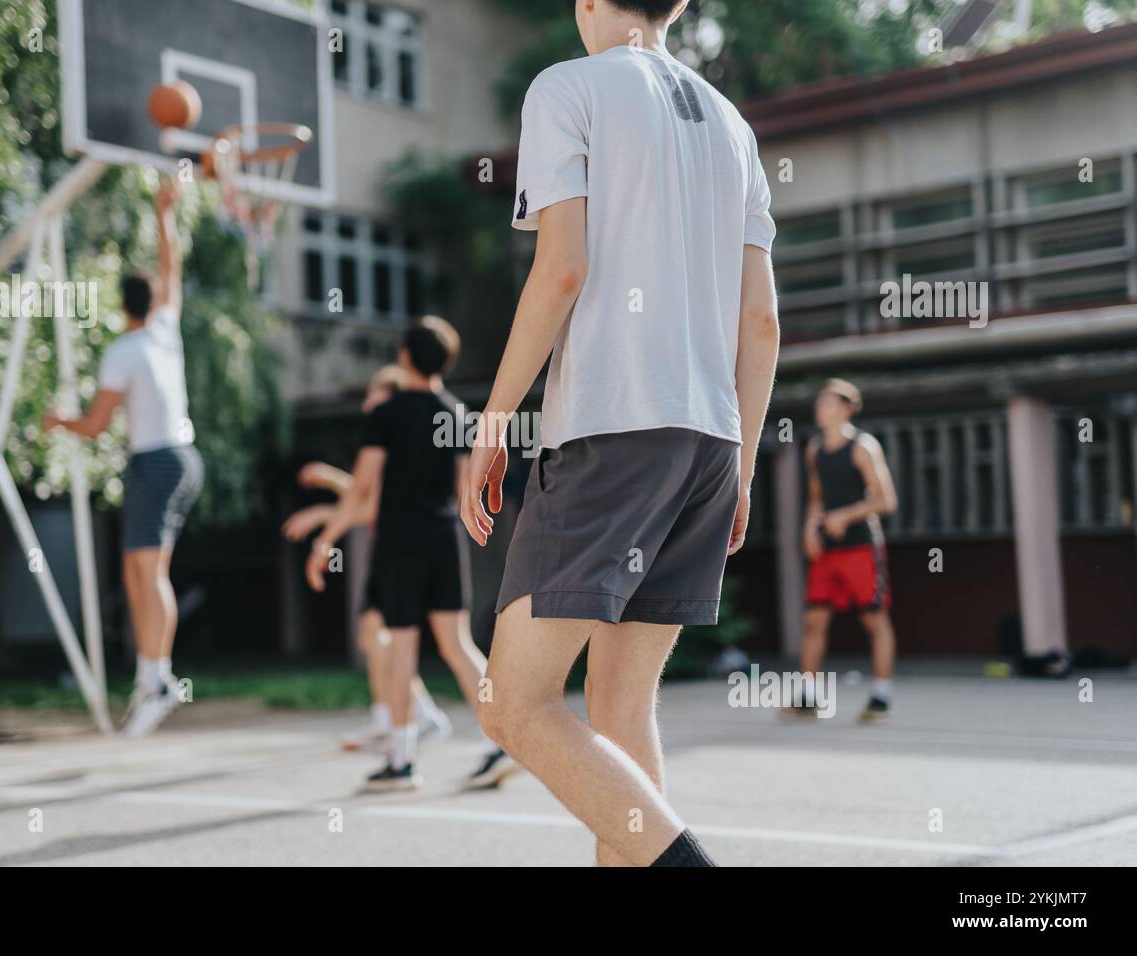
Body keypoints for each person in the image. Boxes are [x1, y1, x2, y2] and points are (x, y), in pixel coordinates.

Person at [460, 0, 779, 866]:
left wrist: (493, 422)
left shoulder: (568, 88)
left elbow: (563, 265)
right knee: (621, 708)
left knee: (512, 703)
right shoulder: (733, 125)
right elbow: (762, 324)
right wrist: (742, 468)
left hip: (613, 427)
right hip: (709, 440)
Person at [306, 317, 517, 793]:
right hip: (444, 535)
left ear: (403, 357)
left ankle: (401, 762)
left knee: (401, 644)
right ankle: (505, 740)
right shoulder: (456, 413)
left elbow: (364, 487)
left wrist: (326, 537)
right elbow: (469, 485)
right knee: (458, 644)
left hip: (400, 539)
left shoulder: (388, 413)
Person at [43, 177, 204, 737]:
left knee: (147, 572)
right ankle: (150, 676)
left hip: (157, 461)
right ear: (152, 303)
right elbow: (173, 268)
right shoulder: (164, 331)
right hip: (182, 459)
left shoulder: (123, 350)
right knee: (139, 574)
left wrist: (57, 419)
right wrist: (164, 213)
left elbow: (92, 427)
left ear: (120, 306)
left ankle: (158, 680)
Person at [281, 365, 453, 751]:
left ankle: (408, 720)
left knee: (392, 639)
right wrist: (330, 487)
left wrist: (324, 517)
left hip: (401, 550)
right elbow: (367, 492)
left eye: (373, 395)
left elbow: (373, 503)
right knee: (376, 636)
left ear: (391, 396)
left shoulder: (393, 430)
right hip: (397, 548)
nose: (366, 404)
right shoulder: (396, 433)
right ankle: (408, 715)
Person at [794, 378, 899, 721]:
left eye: (826, 403)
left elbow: (886, 500)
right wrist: (810, 528)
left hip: (861, 547)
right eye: (818, 403)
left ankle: (880, 697)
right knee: (814, 620)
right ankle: (808, 698)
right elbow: (816, 498)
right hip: (828, 549)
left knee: (873, 619)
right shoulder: (814, 449)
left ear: (846, 408)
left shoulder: (862, 446)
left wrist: (846, 514)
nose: (819, 409)